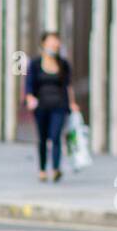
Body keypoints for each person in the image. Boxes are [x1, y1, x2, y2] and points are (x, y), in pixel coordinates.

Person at [24, 31, 80, 182]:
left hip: (59, 105)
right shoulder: (35, 64)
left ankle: (55, 168)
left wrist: (72, 103)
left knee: (55, 136)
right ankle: (42, 169)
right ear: (43, 44)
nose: (54, 45)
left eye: (56, 42)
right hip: (41, 106)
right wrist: (29, 98)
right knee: (42, 138)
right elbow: (29, 84)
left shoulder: (63, 64)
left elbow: (68, 86)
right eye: (51, 42)